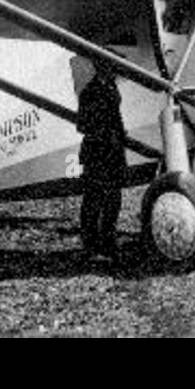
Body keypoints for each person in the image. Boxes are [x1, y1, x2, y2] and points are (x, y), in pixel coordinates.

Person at [76, 59, 127, 260]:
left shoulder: (111, 87)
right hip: (98, 151)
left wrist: (120, 135)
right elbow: (82, 124)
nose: (115, 71)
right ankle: (90, 245)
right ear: (103, 68)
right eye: (112, 67)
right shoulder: (90, 91)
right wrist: (106, 133)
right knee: (94, 198)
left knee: (113, 198)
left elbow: (116, 117)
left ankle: (108, 241)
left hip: (113, 150)